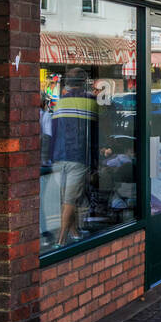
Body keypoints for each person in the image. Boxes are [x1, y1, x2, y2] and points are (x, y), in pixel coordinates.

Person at [51, 68, 99, 245]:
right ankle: (61, 239)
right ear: (85, 82)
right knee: (70, 200)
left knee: (65, 199)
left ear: (68, 83)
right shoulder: (90, 101)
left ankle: (74, 231)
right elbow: (95, 134)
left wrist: (51, 157)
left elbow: (54, 133)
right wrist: (95, 161)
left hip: (59, 157)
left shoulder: (60, 102)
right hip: (78, 157)